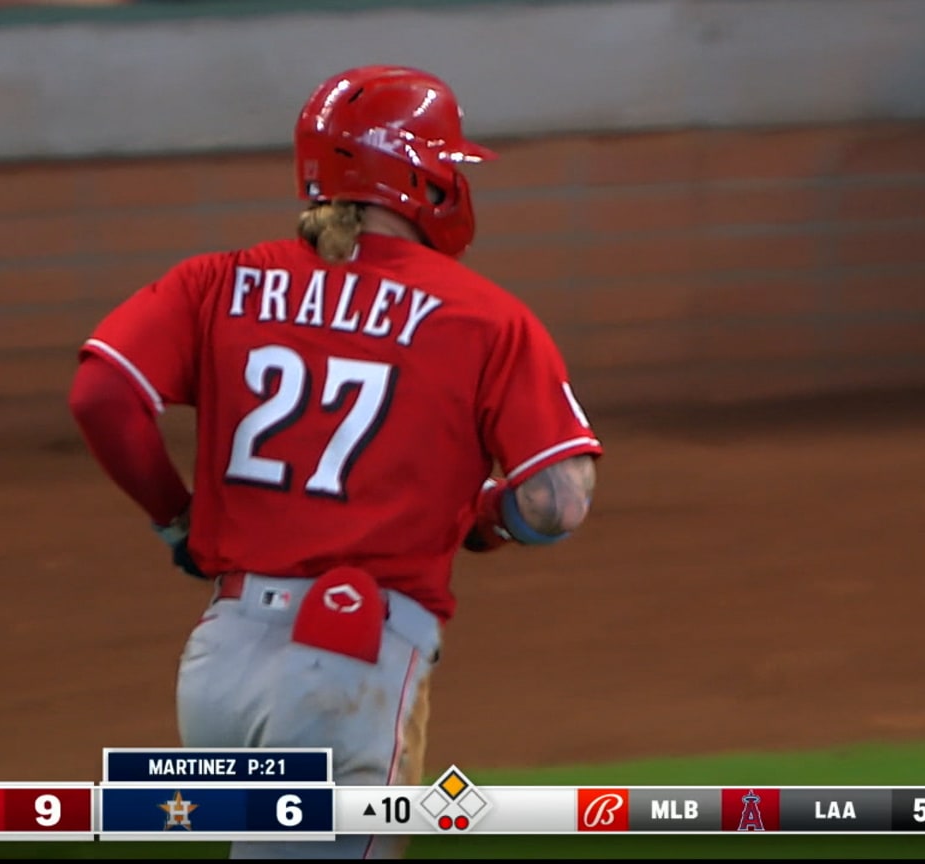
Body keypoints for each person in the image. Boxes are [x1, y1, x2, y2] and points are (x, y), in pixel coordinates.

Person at [68, 64, 602, 859]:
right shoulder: (484, 318)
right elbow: (559, 500)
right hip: (346, 669)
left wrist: (174, 516)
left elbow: (101, 396)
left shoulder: (217, 281)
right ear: (420, 174)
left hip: (219, 666)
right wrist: (488, 519)